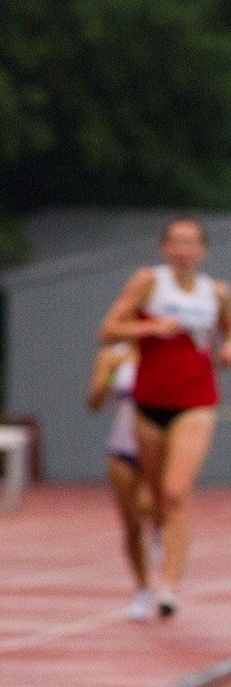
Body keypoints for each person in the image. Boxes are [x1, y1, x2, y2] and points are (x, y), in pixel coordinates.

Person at [97, 217, 231, 620]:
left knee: (175, 493)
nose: (183, 250)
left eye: (191, 243)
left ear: (203, 250)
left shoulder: (218, 293)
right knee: (153, 500)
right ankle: (153, 560)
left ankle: (169, 585)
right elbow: (108, 330)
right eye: (176, 242)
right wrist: (151, 328)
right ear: (164, 248)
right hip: (148, 403)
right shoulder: (148, 283)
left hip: (196, 403)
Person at [88, 344, 159, 619]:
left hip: (155, 446)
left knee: (149, 506)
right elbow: (94, 403)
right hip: (122, 447)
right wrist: (106, 375)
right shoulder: (112, 355)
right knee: (130, 524)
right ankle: (142, 589)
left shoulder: (163, 349)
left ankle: (161, 533)